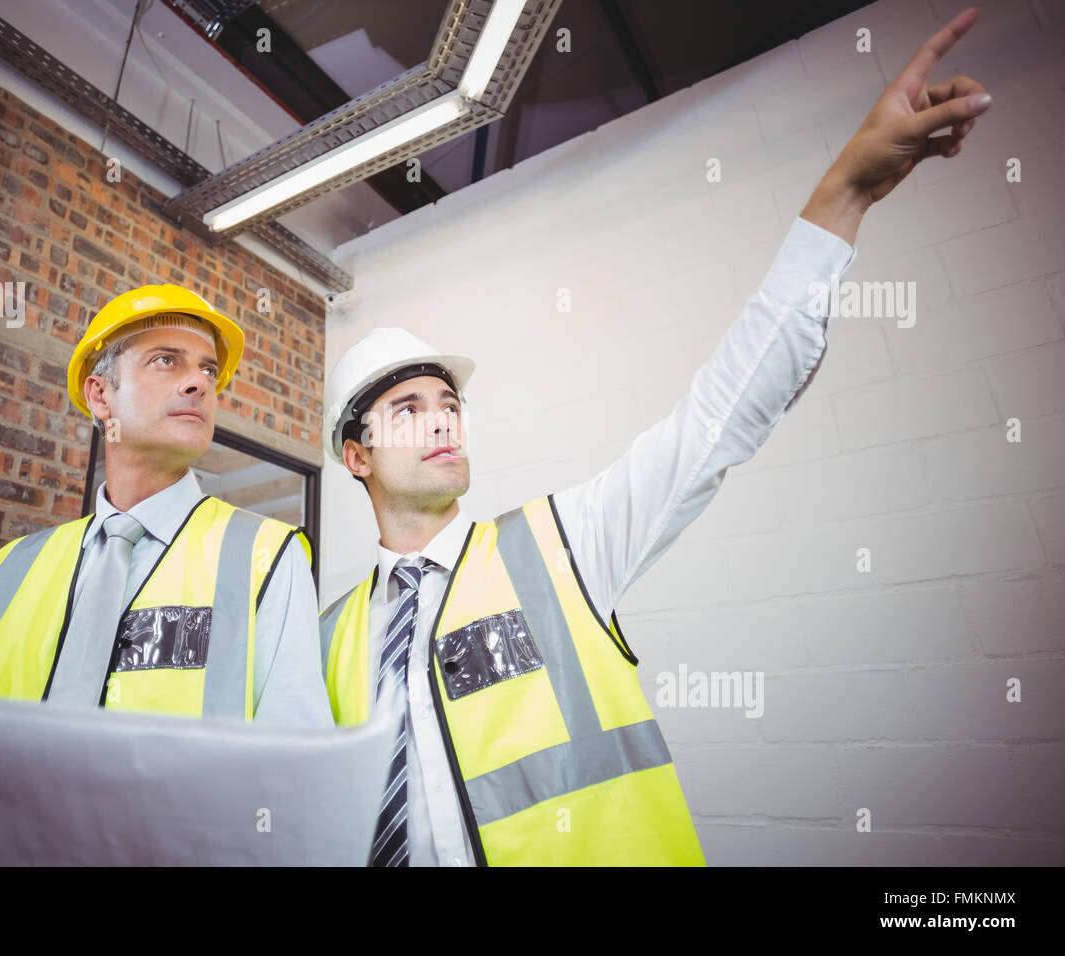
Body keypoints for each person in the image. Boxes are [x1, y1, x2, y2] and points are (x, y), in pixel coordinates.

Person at [318, 9, 992, 864]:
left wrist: (842, 194)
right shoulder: (328, 636)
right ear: (356, 455)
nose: (442, 417)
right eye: (407, 409)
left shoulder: (562, 547)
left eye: (445, 400)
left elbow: (717, 418)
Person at [0, 283, 332, 727]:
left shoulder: (268, 554)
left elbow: (293, 758)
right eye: (166, 360)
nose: (199, 382)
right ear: (101, 396)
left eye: (208, 369)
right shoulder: (12, 567)